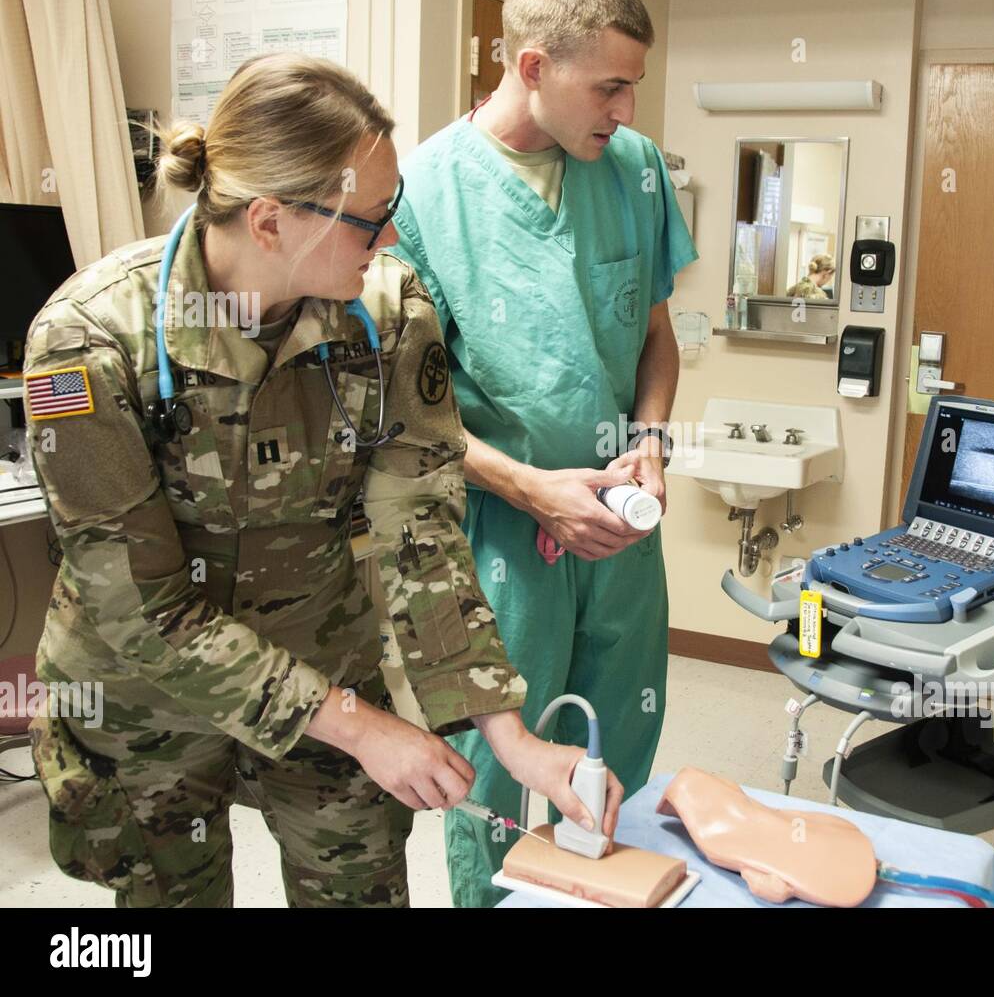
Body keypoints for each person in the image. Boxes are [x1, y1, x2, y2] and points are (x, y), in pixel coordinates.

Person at [22, 52, 620, 908]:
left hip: (324, 662)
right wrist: (368, 729)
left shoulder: (385, 314)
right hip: (148, 702)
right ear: (269, 221)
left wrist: (509, 735)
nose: (388, 238)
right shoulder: (88, 343)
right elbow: (144, 612)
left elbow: (422, 533)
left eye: (394, 207)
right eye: (369, 217)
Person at [390, 0, 697, 906]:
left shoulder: (635, 169)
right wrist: (529, 487)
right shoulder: (422, 197)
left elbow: (654, 336)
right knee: (499, 767)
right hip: (503, 534)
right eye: (607, 87)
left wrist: (648, 438)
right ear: (532, 67)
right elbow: (408, 417)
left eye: (633, 85)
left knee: (617, 746)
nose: (626, 109)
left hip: (620, 526)